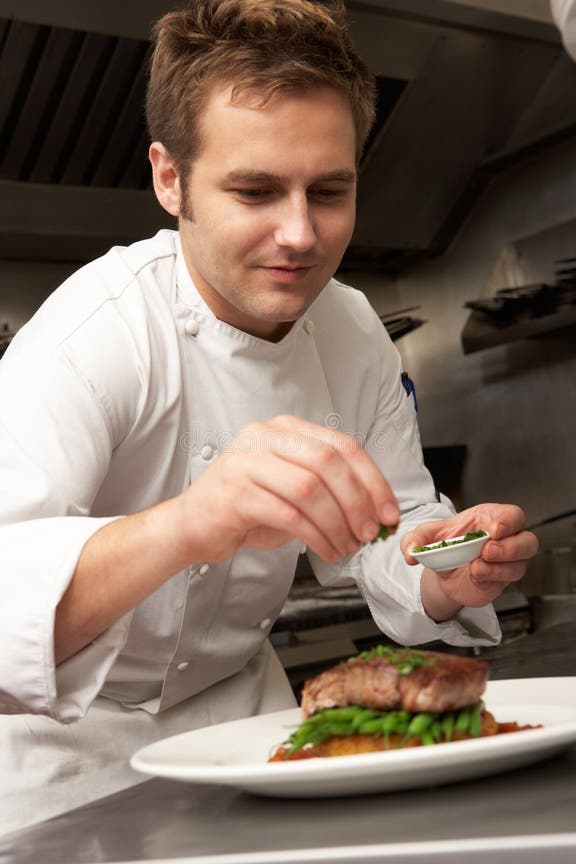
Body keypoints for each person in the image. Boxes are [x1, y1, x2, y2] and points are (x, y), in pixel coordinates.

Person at [0, 0, 538, 834]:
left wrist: (449, 567)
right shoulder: (93, 336)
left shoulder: (353, 329)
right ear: (169, 177)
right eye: (255, 190)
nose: (301, 235)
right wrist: (191, 523)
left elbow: (392, 533)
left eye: (330, 191)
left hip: (248, 734)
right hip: (59, 764)